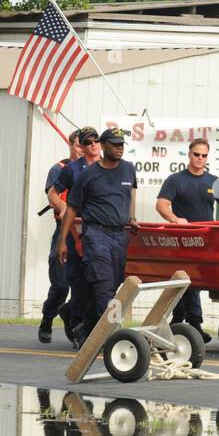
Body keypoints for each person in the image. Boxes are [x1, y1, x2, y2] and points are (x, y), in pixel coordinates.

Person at [156, 138, 219, 342]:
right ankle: (188, 323)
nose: (199, 158)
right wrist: (175, 219)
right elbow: (162, 205)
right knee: (185, 280)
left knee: (194, 281)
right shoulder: (175, 180)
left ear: (208, 157)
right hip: (182, 240)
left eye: (204, 155)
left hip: (205, 240)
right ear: (189, 154)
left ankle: (185, 323)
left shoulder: (213, 181)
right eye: (196, 154)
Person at [58, 127, 139, 341]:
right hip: (96, 235)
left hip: (120, 236)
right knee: (104, 287)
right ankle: (114, 338)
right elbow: (72, 208)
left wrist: (131, 217)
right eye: (115, 144)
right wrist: (62, 242)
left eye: (122, 144)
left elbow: (130, 194)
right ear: (103, 146)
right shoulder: (88, 175)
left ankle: (85, 328)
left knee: (112, 286)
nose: (119, 148)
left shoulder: (129, 169)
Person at [51, 126, 103, 345]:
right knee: (79, 281)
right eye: (88, 141)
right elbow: (53, 192)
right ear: (80, 145)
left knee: (99, 283)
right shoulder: (72, 169)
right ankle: (77, 328)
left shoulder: (109, 166)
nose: (93, 144)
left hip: (102, 233)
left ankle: (79, 318)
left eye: (96, 140)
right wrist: (63, 207)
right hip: (77, 231)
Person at [39, 129, 81, 344]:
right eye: (78, 145)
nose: (83, 149)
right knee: (61, 285)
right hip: (64, 229)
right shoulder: (60, 169)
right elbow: (52, 194)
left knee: (84, 286)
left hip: (86, 232)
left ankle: (74, 324)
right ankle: (48, 317)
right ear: (70, 145)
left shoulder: (96, 169)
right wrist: (65, 207)